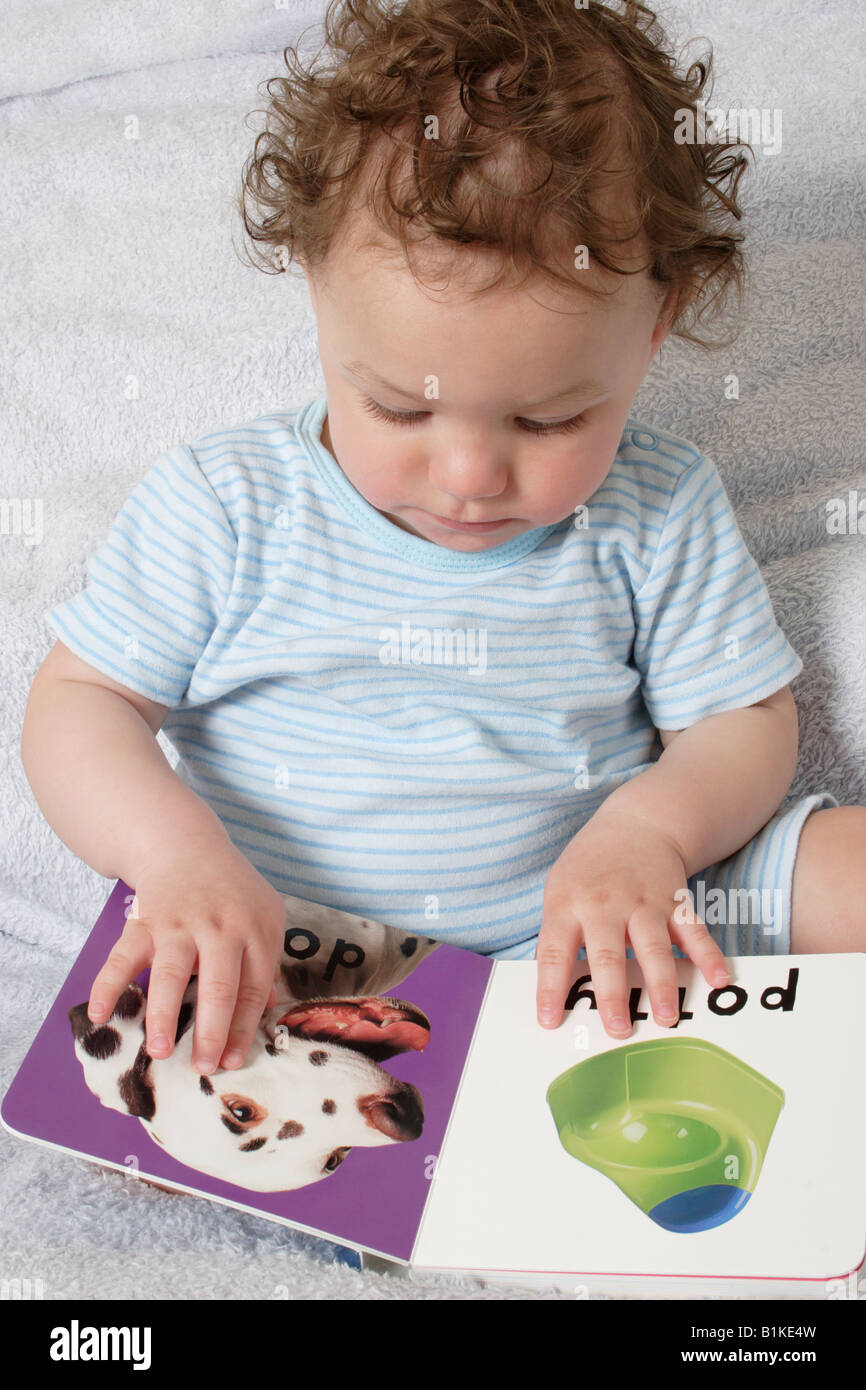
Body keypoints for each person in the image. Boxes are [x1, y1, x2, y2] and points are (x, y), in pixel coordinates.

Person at [20, 0, 864, 1085]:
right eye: (400, 410)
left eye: (547, 420)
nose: (468, 477)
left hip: (597, 928)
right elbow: (82, 701)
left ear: (655, 325)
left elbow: (739, 721)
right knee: (124, 1069)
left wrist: (646, 836)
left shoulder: (655, 505)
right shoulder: (227, 502)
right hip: (282, 951)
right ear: (318, 294)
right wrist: (175, 859)